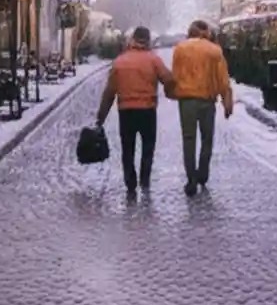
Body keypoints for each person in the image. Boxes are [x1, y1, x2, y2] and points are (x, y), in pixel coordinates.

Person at [95, 26, 174, 197]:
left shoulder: (120, 62)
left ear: (133, 39)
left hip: (126, 111)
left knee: (127, 148)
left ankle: (130, 182)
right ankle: (144, 179)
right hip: (147, 110)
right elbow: (168, 79)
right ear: (148, 40)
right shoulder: (154, 60)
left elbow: (109, 93)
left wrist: (101, 117)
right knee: (148, 146)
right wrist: (174, 92)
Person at [169, 20, 234, 196]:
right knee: (207, 138)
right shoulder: (214, 50)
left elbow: (175, 76)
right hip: (207, 100)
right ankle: (203, 174)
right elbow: (223, 79)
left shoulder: (180, 49)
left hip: (187, 101)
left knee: (188, 140)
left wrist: (173, 92)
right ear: (205, 32)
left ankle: (191, 179)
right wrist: (227, 101)